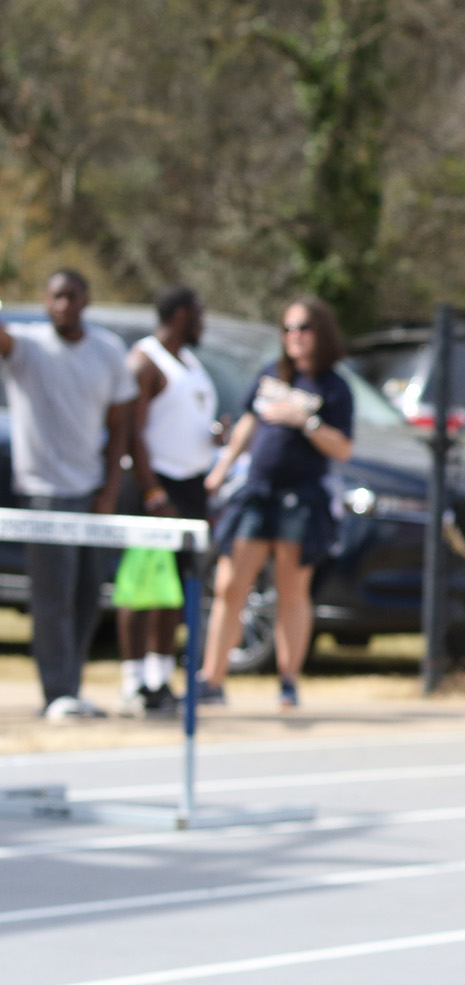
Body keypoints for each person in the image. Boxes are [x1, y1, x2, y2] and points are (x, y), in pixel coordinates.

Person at [199, 298, 354, 709]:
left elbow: (342, 449)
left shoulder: (334, 387)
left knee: (291, 589)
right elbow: (249, 420)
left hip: (301, 497)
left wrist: (306, 420)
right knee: (230, 584)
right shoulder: (272, 373)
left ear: (320, 333)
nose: (294, 337)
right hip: (257, 491)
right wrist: (222, 469)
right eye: (287, 329)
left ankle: (288, 680)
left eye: (302, 328)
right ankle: (211, 679)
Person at [0, 270, 135, 720]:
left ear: (85, 300)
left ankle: (71, 688)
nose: (62, 304)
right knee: (52, 597)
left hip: (90, 491)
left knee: (85, 595)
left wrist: (110, 488)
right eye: (55, 296)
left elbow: (120, 425)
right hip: (43, 492)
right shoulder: (28, 346)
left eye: (70, 296)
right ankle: (56, 691)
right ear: (45, 300)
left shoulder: (108, 350)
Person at [117, 285, 219, 717]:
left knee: (173, 590)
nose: (202, 324)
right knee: (141, 586)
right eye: (198, 315)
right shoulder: (145, 360)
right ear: (179, 316)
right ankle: (132, 682)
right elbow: (131, 431)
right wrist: (152, 490)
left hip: (190, 487)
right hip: (154, 487)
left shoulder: (191, 363)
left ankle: (160, 679)